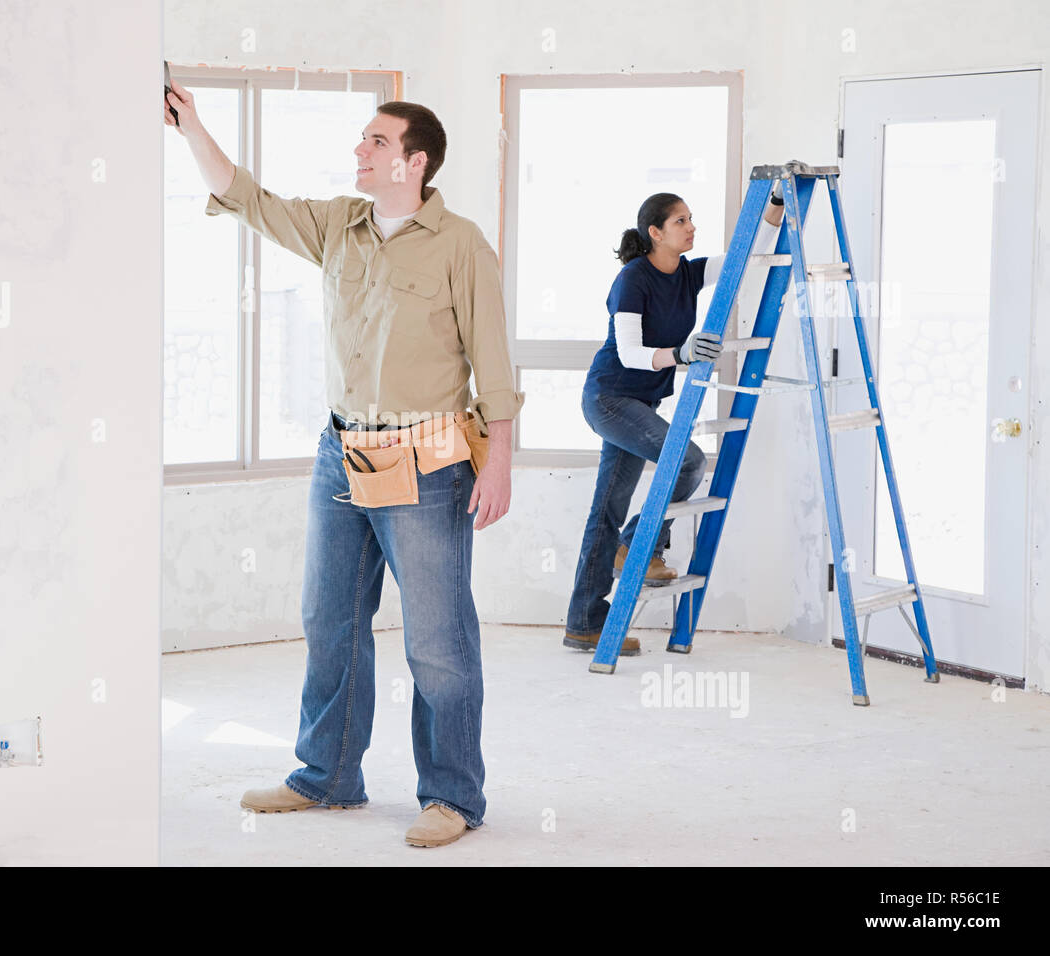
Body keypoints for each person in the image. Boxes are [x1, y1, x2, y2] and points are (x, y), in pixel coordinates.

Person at [165, 75, 524, 847]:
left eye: (376, 141)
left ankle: (453, 796)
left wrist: (497, 465)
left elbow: (494, 366)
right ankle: (326, 777)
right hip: (341, 456)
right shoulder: (340, 226)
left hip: (427, 464)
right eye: (363, 138)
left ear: (414, 163)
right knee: (329, 620)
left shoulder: (463, 246)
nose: (359, 150)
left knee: (437, 639)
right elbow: (248, 198)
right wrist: (191, 125)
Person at [562, 189, 784, 654]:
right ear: (655, 232)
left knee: (606, 508)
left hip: (641, 405)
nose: (691, 227)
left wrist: (776, 204)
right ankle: (640, 544)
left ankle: (585, 622)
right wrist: (679, 355)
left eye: (691, 219)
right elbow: (627, 352)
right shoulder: (632, 279)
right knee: (687, 462)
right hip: (609, 399)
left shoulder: (687, 273)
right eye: (681, 221)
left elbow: (751, 257)